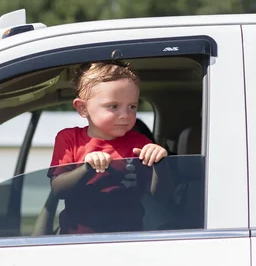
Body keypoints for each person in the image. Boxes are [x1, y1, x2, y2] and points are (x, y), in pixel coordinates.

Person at [48, 61, 168, 234]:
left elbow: (160, 196)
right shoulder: (69, 139)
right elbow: (58, 189)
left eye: (132, 107)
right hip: (75, 241)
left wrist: (160, 163)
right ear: (82, 108)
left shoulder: (140, 143)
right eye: (114, 106)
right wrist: (87, 168)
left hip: (128, 239)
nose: (125, 115)